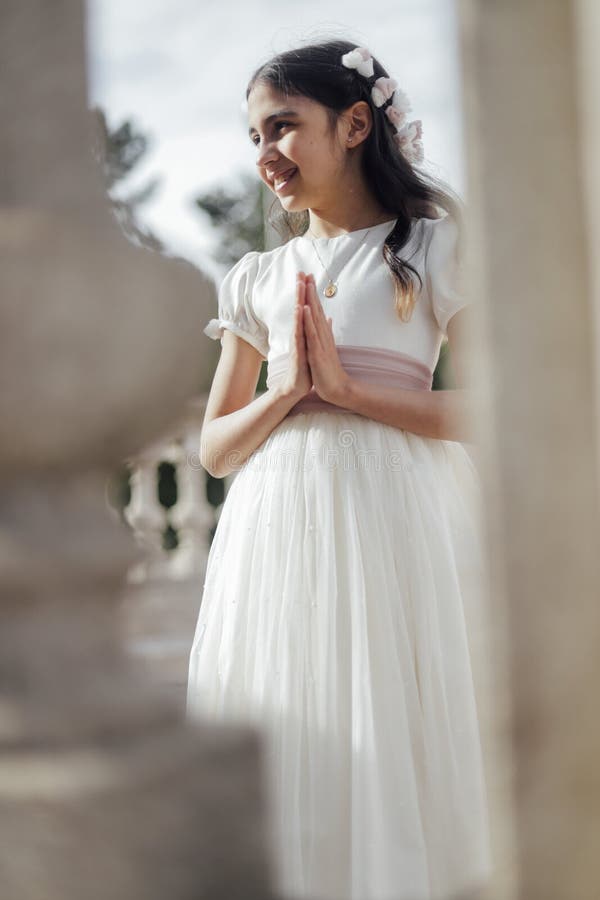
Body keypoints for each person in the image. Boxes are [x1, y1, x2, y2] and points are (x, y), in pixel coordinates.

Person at [186, 37, 493, 900]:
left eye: (283, 127)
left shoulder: (431, 249)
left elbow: (497, 410)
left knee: (393, 717)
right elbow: (214, 450)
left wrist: (352, 391)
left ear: (356, 123)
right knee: (288, 720)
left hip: (395, 516)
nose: (265, 155)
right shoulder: (254, 277)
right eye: (253, 137)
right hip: (275, 529)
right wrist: (287, 395)